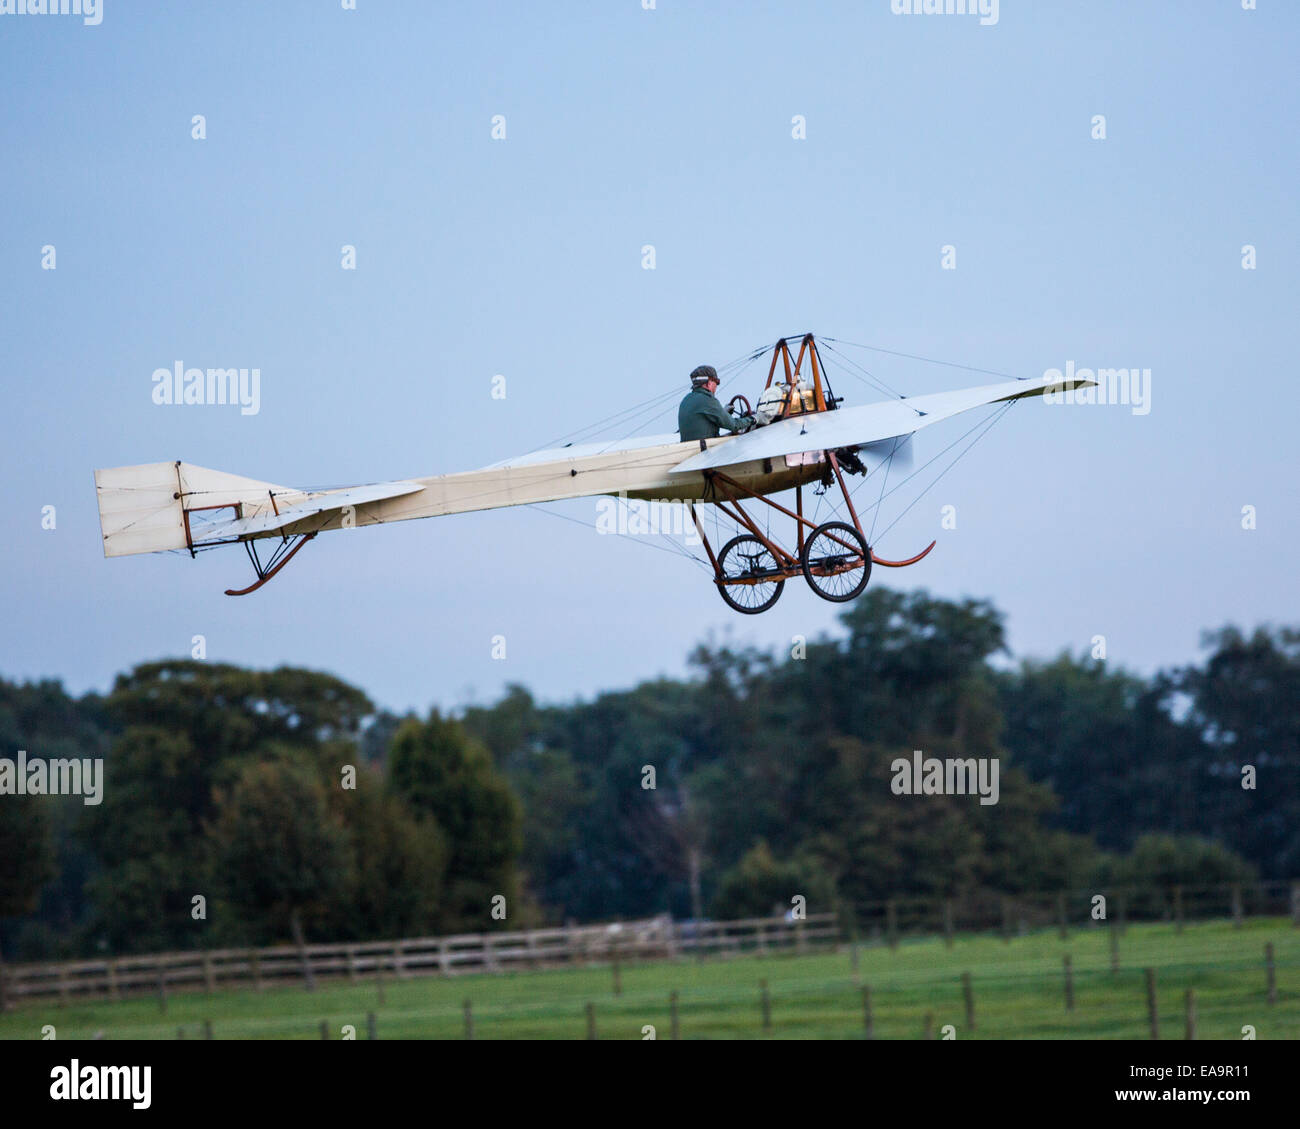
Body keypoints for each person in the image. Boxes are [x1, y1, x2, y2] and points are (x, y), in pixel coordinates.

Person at [678, 365, 751, 442]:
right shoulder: (707, 400)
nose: (716, 387)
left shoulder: (686, 399)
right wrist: (755, 418)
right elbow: (734, 425)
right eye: (716, 382)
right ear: (709, 383)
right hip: (704, 450)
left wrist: (723, 412)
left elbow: (704, 418)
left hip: (690, 447)